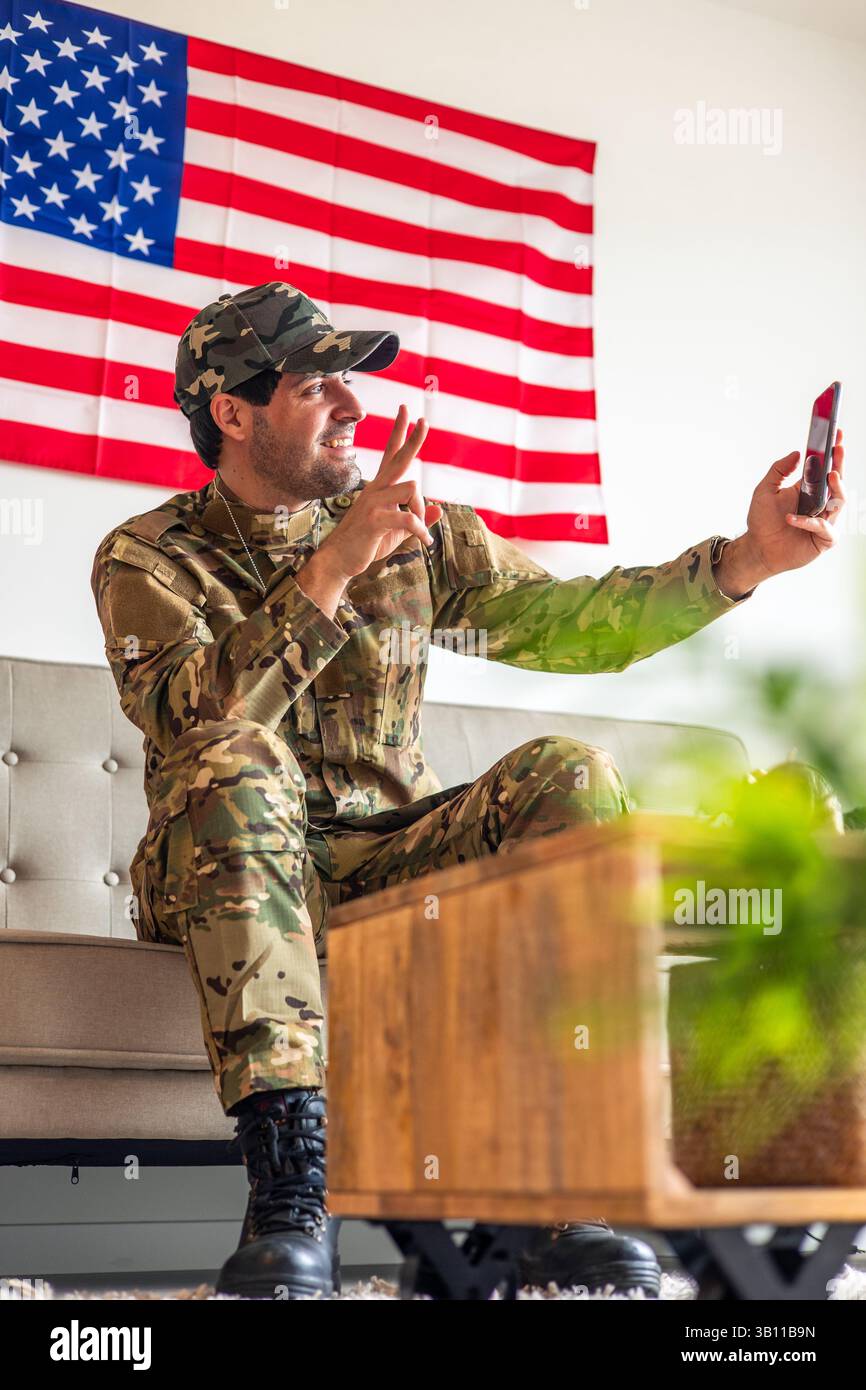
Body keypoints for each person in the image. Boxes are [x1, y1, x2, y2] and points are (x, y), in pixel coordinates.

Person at [91, 281, 848, 1300]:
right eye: (318, 386)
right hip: (218, 863)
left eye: (349, 383)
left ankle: (559, 1191)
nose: (355, 407)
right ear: (230, 410)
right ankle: (287, 1199)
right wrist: (335, 560)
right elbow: (197, 723)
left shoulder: (422, 533)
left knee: (566, 772)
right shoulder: (149, 554)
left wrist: (742, 560)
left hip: (386, 861)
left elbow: (564, 621)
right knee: (238, 761)